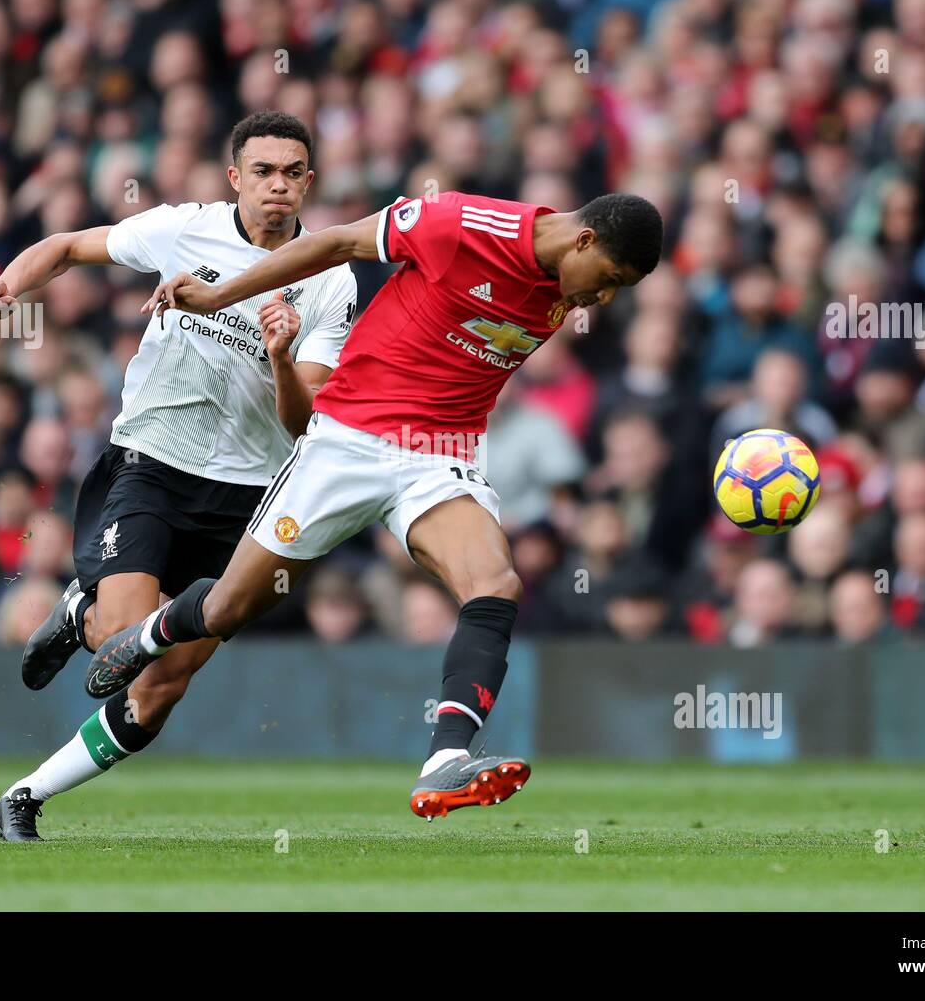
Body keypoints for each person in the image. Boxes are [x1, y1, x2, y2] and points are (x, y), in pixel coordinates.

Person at [86, 188, 663, 820]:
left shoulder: (562, 286)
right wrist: (224, 294)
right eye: (609, 279)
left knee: (496, 584)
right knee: (224, 608)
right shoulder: (461, 223)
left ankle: (445, 762)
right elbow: (335, 242)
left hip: (437, 456)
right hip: (349, 442)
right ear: (582, 240)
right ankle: (155, 632)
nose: (603, 299)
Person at [0, 112, 357, 842]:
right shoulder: (183, 228)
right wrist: (7, 283)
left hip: (250, 493)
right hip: (153, 461)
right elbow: (64, 246)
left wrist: (280, 355)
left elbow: (300, 422)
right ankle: (82, 616)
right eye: (263, 171)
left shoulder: (330, 279)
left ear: (309, 181)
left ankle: (23, 796)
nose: (278, 185)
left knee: (160, 686)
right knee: (124, 634)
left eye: (292, 172)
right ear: (235, 177)